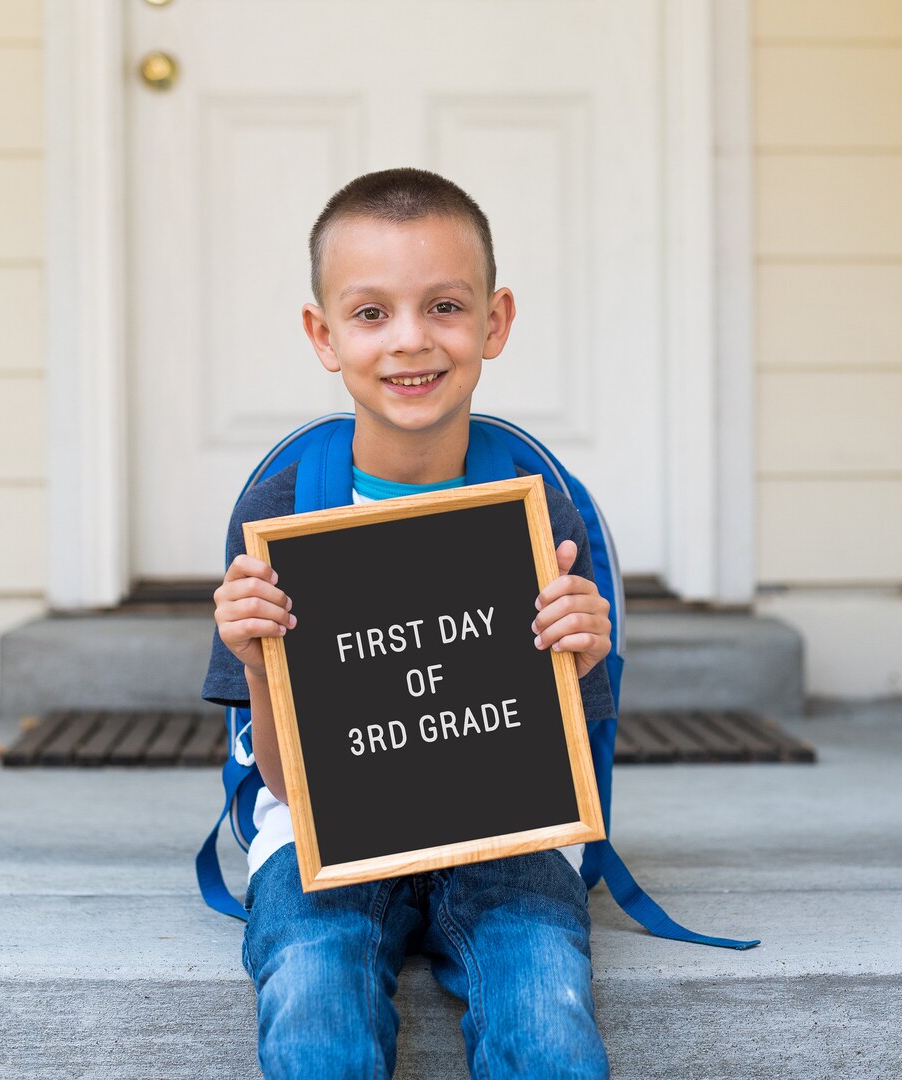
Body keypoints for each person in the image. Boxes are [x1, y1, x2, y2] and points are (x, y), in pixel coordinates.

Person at [204, 167, 614, 1079]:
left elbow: (561, 755)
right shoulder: (284, 510)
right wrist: (264, 663)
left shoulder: (540, 508)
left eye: (444, 307)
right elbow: (282, 777)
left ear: (495, 321)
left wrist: (580, 656)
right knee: (312, 1003)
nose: (411, 342)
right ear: (323, 334)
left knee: (546, 1019)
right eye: (371, 313)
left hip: (513, 830)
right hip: (324, 834)